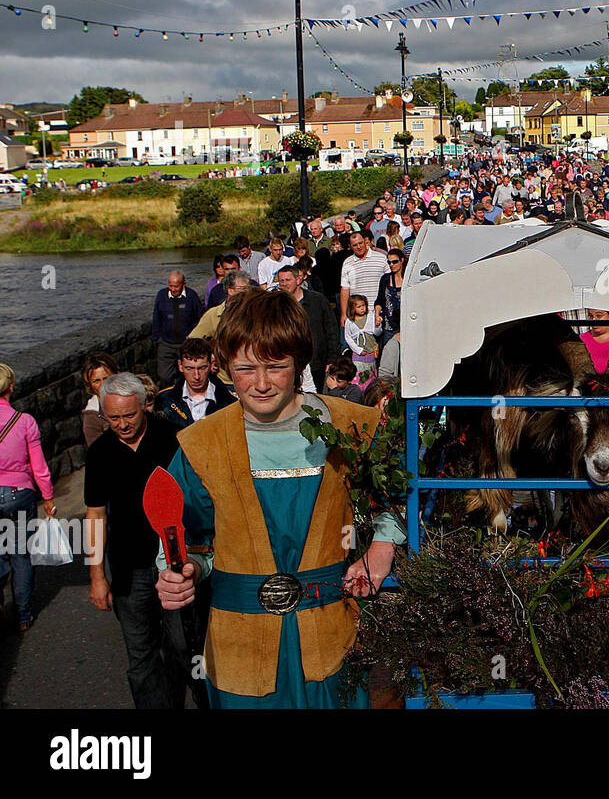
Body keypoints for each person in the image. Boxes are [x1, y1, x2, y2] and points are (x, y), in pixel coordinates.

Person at [155, 289, 404, 708]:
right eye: (246, 368)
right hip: (240, 645)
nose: (261, 383)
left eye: (276, 367)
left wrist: (381, 544)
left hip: (330, 635)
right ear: (225, 368)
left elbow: (397, 491)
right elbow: (192, 540)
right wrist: (183, 572)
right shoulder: (202, 445)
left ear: (300, 364)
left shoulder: (353, 425)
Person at [85, 372, 207, 708]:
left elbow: (199, 501)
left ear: (144, 406)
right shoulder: (99, 453)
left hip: (174, 562)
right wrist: (97, 576)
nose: (122, 424)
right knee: (142, 659)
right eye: (113, 418)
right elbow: (95, 516)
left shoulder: (174, 439)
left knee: (186, 649)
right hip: (128, 569)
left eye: (129, 415)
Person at [0, 362, 55, 632]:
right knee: (20, 554)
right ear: (11, 387)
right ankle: (22, 614)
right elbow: (39, 467)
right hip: (19, 494)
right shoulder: (24, 422)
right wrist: (48, 497)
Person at [154, 338, 236, 428]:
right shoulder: (163, 401)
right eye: (189, 369)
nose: (196, 376)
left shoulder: (230, 403)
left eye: (202, 368)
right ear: (180, 366)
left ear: (211, 365)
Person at [153, 270, 205, 389]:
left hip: (187, 343)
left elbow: (200, 318)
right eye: (170, 285)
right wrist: (157, 338)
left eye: (176, 286)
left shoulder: (192, 296)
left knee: (188, 375)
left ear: (183, 284)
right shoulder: (161, 296)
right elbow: (156, 318)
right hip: (166, 343)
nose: (172, 289)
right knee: (164, 376)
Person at [338, 230, 388, 332]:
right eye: (355, 245)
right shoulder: (347, 263)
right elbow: (345, 290)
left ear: (365, 242)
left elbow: (389, 282)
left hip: (379, 310)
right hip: (358, 314)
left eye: (360, 243)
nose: (359, 247)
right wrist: (344, 313)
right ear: (351, 247)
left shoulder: (381, 258)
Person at [80, 351, 120, 448]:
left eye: (106, 378)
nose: (103, 385)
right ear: (89, 384)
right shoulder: (92, 417)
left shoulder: (134, 396)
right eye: (96, 381)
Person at [375, 249, 405, 353]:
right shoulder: (385, 279)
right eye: (389, 262)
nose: (391, 265)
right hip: (389, 327)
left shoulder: (407, 279)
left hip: (405, 326)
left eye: (395, 262)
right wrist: (377, 314)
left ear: (402, 260)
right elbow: (379, 300)